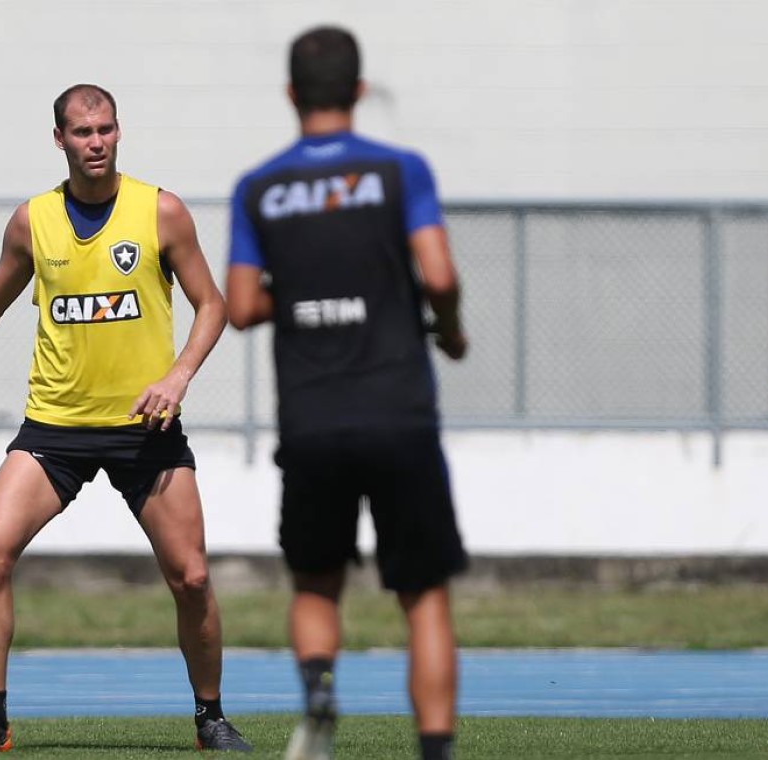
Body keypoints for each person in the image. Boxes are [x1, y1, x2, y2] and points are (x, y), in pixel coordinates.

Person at [0, 83, 251, 754]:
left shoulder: (161, 212)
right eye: (83, 132)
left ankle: (210, 717)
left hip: (144, 431)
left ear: (119, 134)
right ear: (58, 139)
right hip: (54, 428)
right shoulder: (33, 221)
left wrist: (176, 376)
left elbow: (212, 304)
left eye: (106, 130)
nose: (96, 142)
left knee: (193, 577)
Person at [225, 26, 470, 760]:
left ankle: (320, 691)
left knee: (315, 584)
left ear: (291, 95)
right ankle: (432, 752)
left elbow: (239, 306)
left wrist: (302, 292)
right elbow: (438, 276)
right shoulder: (400, 172)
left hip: (311, 419)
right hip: (398, 411)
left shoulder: (258, 187)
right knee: (422, 595)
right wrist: (448, 331)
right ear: (359, 91)